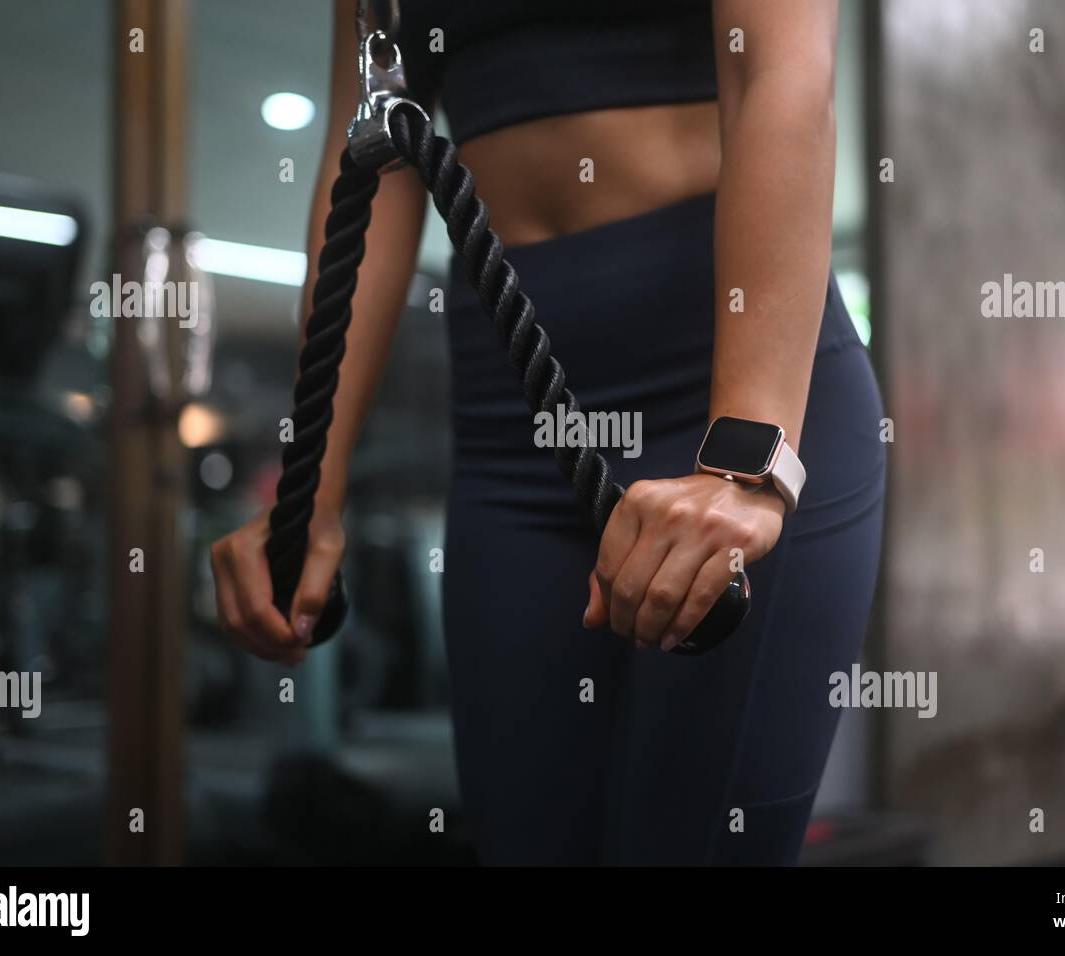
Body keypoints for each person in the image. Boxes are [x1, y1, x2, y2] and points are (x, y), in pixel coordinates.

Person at [211, 0, 886, 865]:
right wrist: (314, 485)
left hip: (728, 388)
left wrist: (745, 465)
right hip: (511, 416)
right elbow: (377, 150)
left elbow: (781, 80)